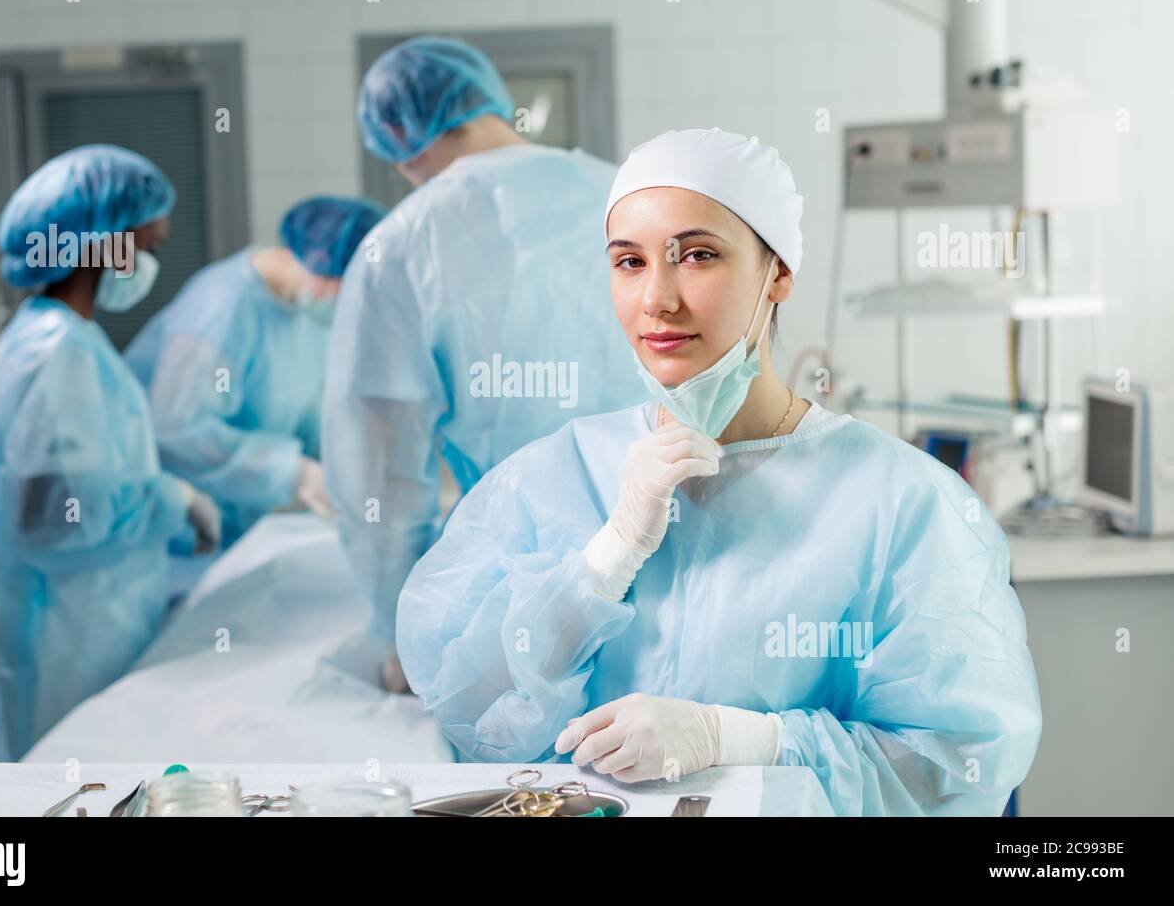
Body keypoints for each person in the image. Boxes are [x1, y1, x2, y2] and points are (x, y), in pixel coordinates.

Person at [396, 128, 1042, 815]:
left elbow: (957, 760)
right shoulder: (554, 476)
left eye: (698, 256)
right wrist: (604, 561)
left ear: (779, 274)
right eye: (629, 262)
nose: (658, 299)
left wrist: (740, 740)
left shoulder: (902, 503)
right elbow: (473, 711)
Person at [324, 36, 645, 689]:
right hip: (676, 569)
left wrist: (396, 632)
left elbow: (381, 480)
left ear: (400, 145)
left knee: (528, 783)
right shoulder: (630, 198)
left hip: (515, 605)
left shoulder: (405, 245)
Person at [0, 144, 221, 761]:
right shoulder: (60, 355)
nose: (149, 264)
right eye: (146, 249)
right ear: (102, 245)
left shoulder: (44, 340)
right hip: (74, 633)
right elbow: (53, 523)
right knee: (69, 786)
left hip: (65, 623)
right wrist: (167, 500)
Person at [127, 196, 385, 544]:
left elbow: (310, 414)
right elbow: (179, 433)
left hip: (245, 524)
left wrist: (345, 469)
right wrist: (296, 474)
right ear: (322, 263)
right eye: (351, 284)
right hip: (180, 530)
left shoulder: (306, 311)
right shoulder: (221, 308)